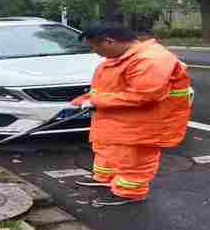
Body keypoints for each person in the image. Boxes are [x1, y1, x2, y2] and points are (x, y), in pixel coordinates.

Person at [71, 23, 193, 206]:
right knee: (109, 151)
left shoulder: (150, 60)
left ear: (109, 41)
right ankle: (106, 178)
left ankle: (129, 192)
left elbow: (145, 94)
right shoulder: (126, 58)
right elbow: (113, 88)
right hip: (120, 121)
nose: (95, 52)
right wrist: (84, 99)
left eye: (94, 47)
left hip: (143, 125)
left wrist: (95, 101)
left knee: (134, 160)